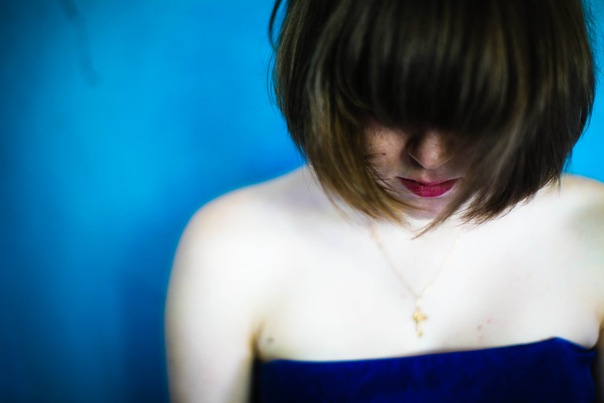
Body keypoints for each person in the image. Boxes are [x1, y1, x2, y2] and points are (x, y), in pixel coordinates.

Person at [166, 0, 604, 401]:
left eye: (476, 115)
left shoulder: (594, 228)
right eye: (390, 109)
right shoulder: (230, 247)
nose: (430, 158)